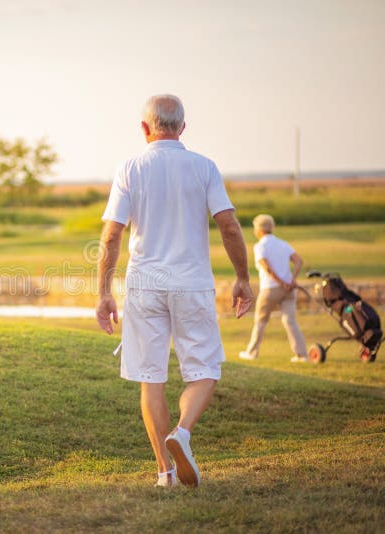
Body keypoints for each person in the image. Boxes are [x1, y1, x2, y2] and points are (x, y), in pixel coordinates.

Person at [96, 94, 254, 488]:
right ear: (183, 127)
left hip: (144, 285)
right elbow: (230, 226)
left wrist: (103, 292)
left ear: (145, 128)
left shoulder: (130, 168)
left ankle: (164, 473)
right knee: (205, 370)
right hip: (191, 283)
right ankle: (182, 432)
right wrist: (243, 278)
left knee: (152, 379)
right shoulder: (204, 167)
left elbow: (112, 234)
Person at [239, 214, 308, 363]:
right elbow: (298, 261)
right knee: (290, 321)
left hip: (270, 289)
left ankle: (252, 352)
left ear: (259, 229)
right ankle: (302, 355)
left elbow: (266, 267)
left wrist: (281, 282)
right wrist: (292, 280)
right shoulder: (283, 243)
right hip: (289, 289)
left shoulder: (260, 246)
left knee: (260, 321)